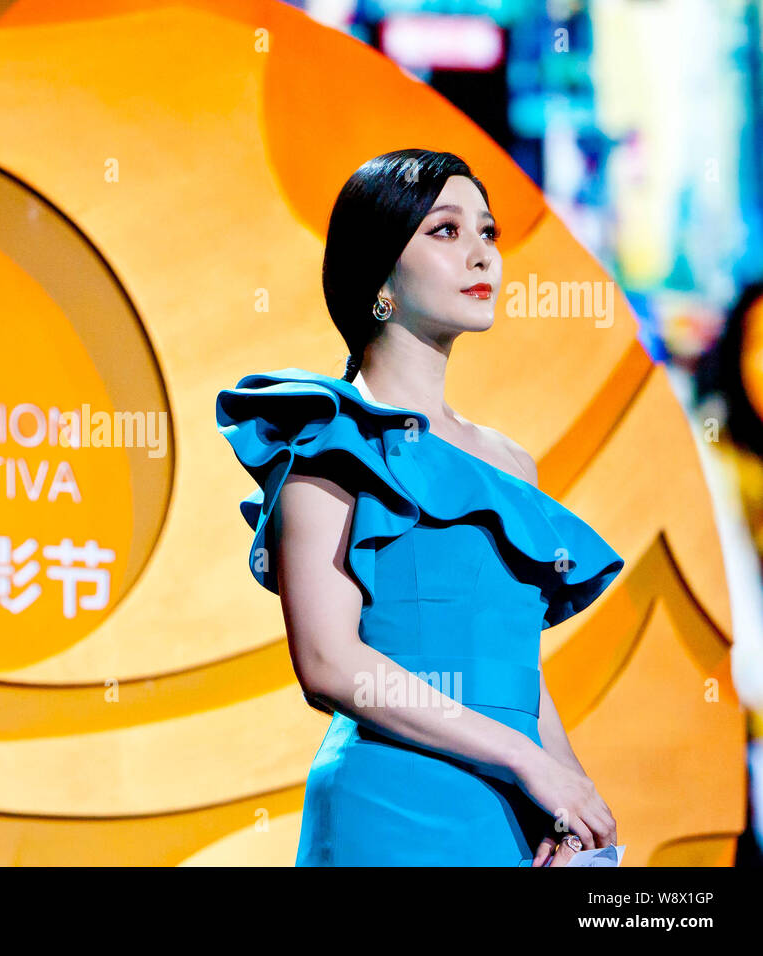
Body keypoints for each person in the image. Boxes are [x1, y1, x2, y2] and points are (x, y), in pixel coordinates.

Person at [215, 149, 625, 866]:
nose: (481, 255)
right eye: (445, 231)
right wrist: (526, 763)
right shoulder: (327, 436)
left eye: (489, 232)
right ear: (380, 277)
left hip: (507, 818)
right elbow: (328, 661)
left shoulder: (509, 462)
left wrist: (570, 803)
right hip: (391, 808)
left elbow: (515, 671)